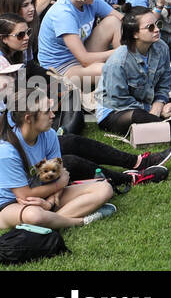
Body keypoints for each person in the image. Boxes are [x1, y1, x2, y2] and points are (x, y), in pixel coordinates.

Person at [0, 80, 117, 230]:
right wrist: (59, 185)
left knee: (104, 188)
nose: (53, 115)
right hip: (10, 205)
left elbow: (58, 172)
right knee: (35, 216)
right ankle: (80, 221)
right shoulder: (7, 151)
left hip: (43, 193)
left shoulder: (49, 134)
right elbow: (24, 195)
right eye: (47, 111)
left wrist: (49, 202)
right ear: (28, 118)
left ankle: (53, 220)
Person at [96, 5, 171, 135]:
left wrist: (160, 101)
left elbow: (165, 81)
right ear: (135, 34)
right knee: (139, 116)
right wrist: (154, 109)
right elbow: (119, 100)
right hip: (116, 110)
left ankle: (162, 119)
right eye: (150, 27)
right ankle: (163, 121)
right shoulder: (118, 61)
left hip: (146, 101)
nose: (156, 30)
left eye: (157, 24)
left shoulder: (161, 47)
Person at [36, 0, 123, 80]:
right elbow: (84, 59)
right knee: (105, 70)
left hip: (80, 54)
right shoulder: (63, 14)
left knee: (113, 21)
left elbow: (122, 19)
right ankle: (123, 63)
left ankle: (126, 63)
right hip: (61, 68)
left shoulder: (90, 1)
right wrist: (119, 52)